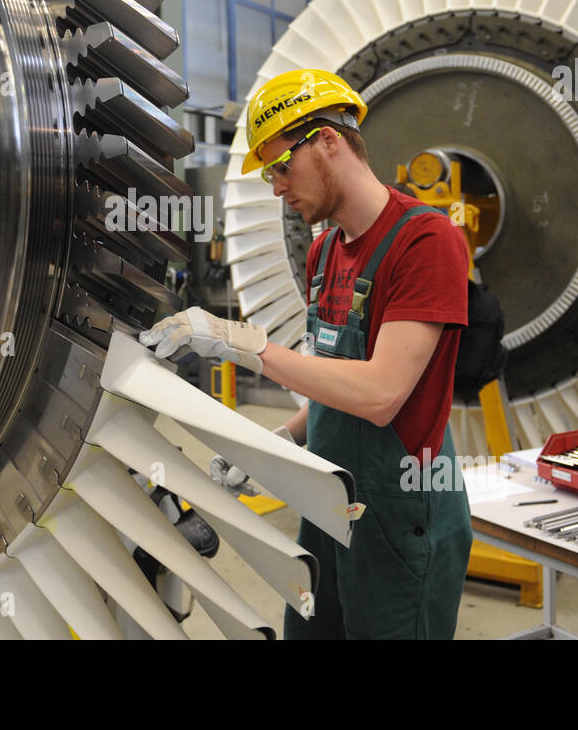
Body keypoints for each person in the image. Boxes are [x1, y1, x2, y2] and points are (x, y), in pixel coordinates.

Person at [139, 68, 473, 639]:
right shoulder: (324, 253)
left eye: (280, 166)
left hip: (400, 516)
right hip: (329, 504)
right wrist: (282, 443)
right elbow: (335, 386)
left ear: (328, 142)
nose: (275, 186)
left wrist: (246, 345)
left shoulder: (426, 241)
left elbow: (379, 395)